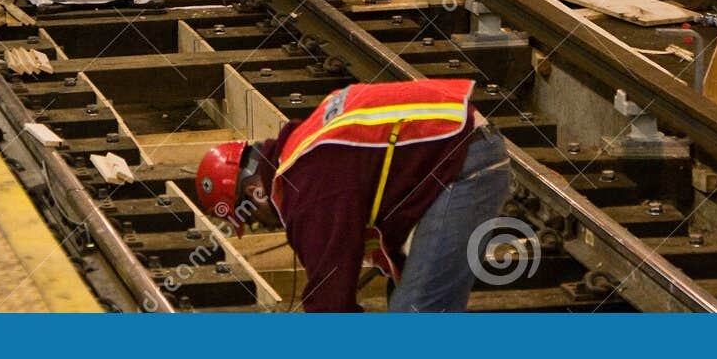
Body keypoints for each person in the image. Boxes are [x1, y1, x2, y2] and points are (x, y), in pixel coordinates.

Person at [193, 78, 511, 313]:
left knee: (416, 310)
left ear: (254, 192)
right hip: (456, 149)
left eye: (251, 217)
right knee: (408, 292)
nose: (267, 226)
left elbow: (330, 295)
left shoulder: (304, 189)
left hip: (465, 163)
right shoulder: (301, 152)